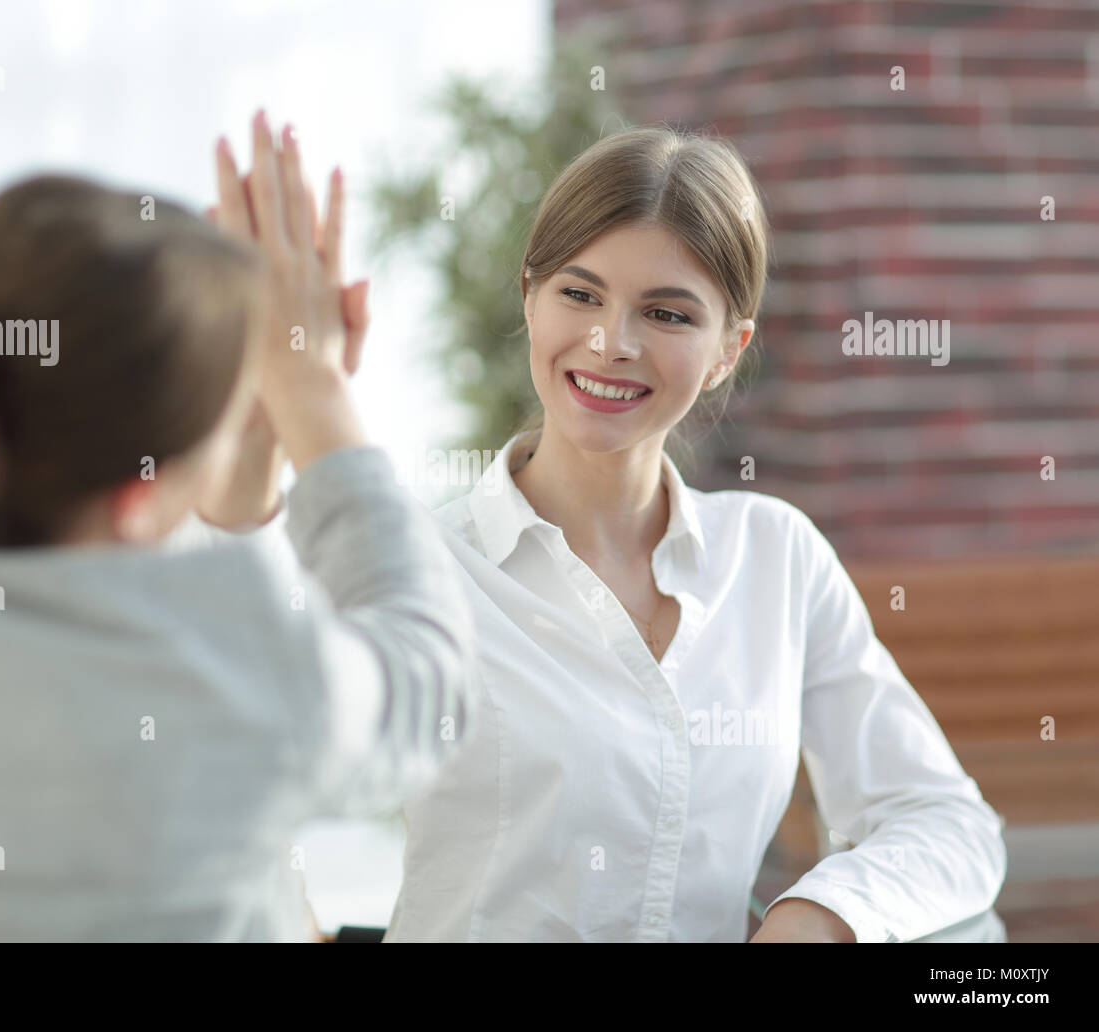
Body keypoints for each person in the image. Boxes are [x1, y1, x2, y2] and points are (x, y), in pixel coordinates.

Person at [0, 110, 475, 942]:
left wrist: (242, 457)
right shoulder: (246, 678)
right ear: (136, 497)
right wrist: (312, 387)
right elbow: (427, 687)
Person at [381, 125, 1006, 943]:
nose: (613, 342)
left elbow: (946, 821)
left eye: (667, 313)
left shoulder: (776, 558)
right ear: (529, 296)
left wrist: (819, 915)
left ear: (726, 350)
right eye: (579, 294)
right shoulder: (423, 567)